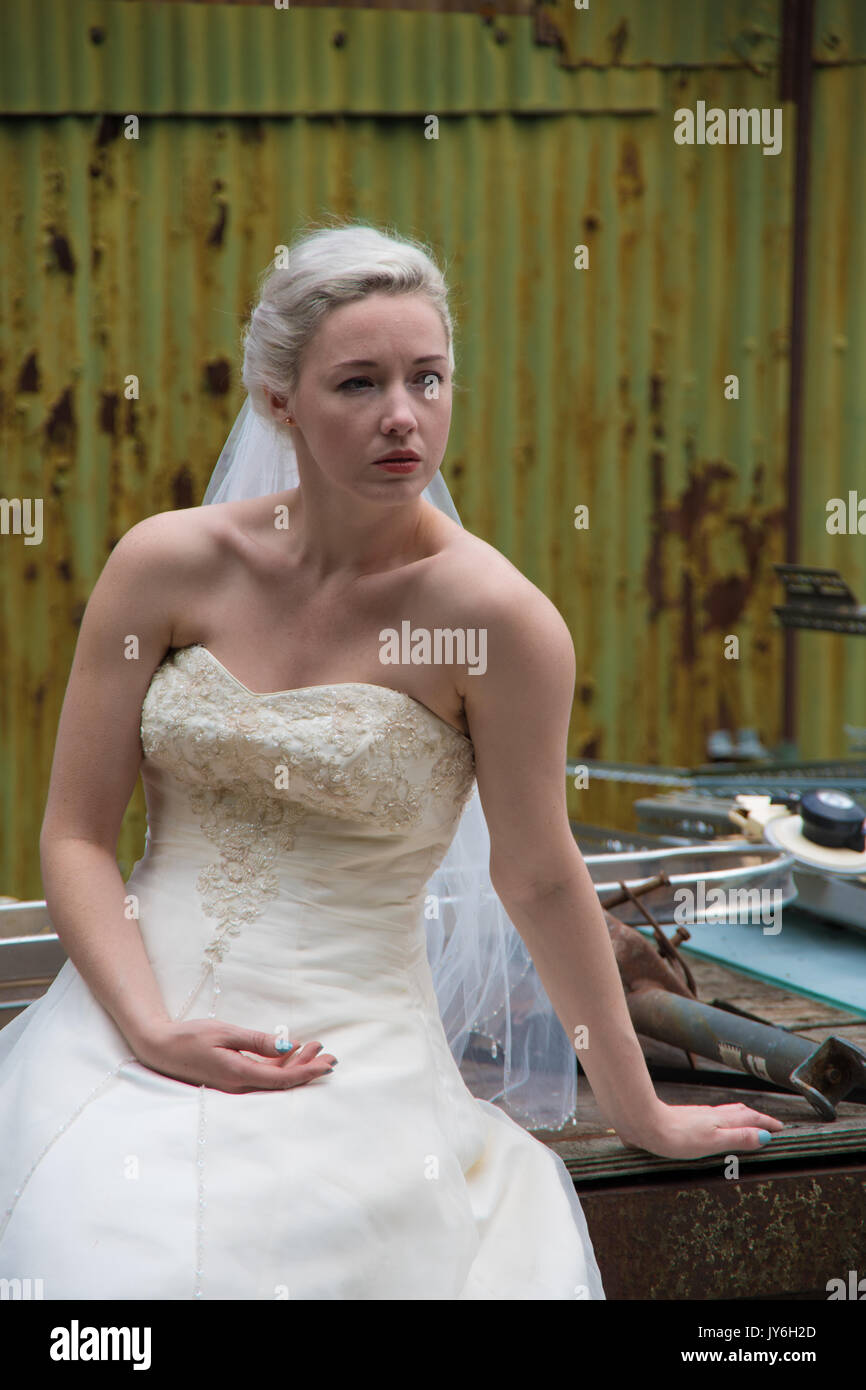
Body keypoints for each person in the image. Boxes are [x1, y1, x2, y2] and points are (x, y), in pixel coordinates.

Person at [0, 221, 783, 1300]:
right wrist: (151, 1027)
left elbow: (539, 875)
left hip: (343, 1041)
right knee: (93, 1230)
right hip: (129, 1005)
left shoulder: (497, 619)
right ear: (279, 400)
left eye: (427, 378)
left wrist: (637, 1107)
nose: (401, 417)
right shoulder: (168, 563)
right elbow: (78, 834)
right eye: (357, 383)